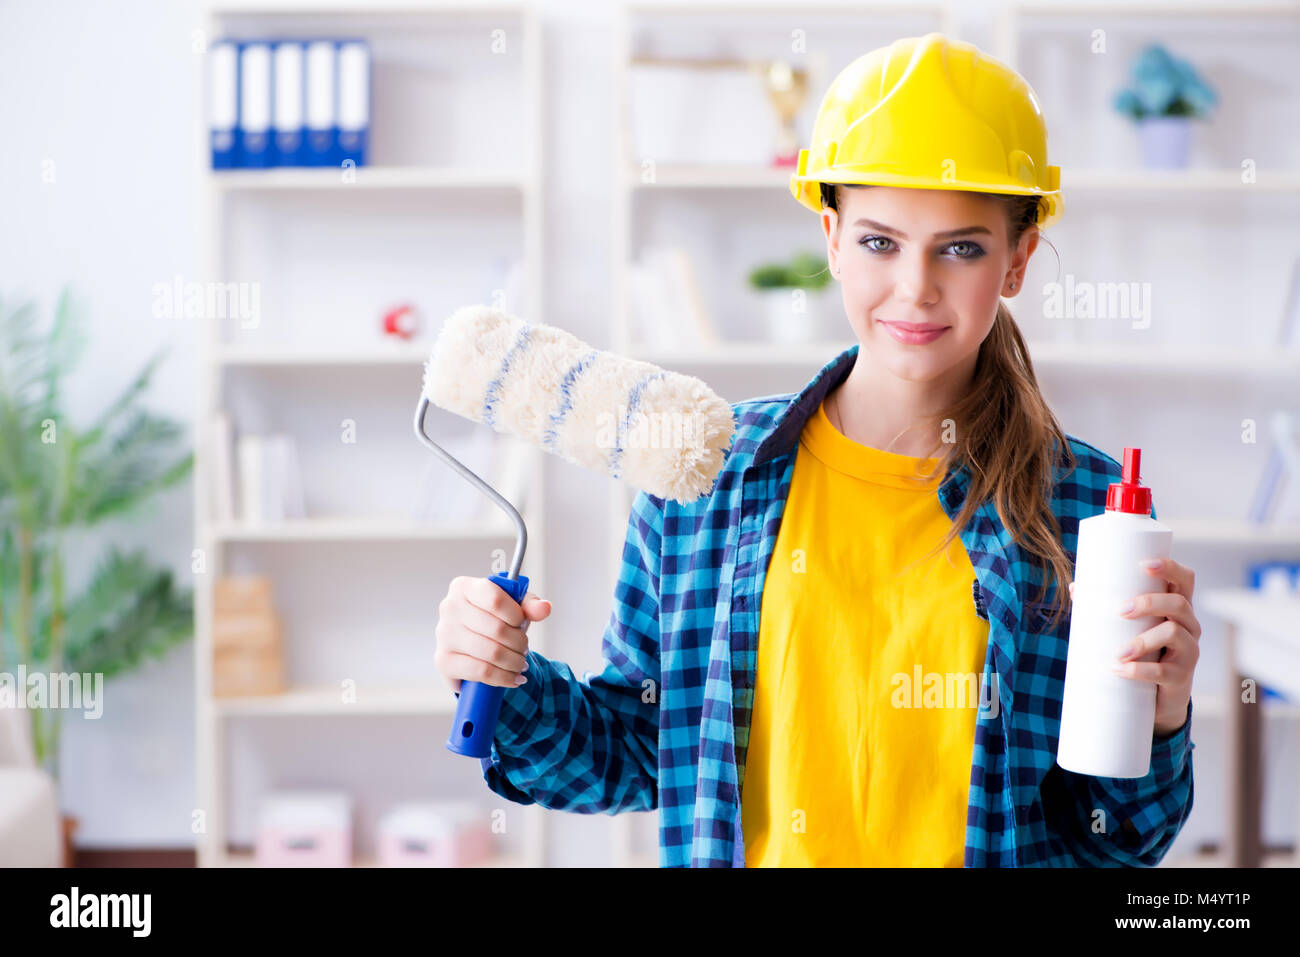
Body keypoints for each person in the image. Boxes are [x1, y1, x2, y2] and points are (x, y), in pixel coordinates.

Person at [433, 33, 1198, 867]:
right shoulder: (708, 479)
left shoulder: (1083, 506)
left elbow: (1119, 842)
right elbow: (629, 750)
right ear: (831, 237)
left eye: (962, 246)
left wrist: (1161, 715)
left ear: (1016, 260)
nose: (915, 287)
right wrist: (505, 680)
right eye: (880, 241)